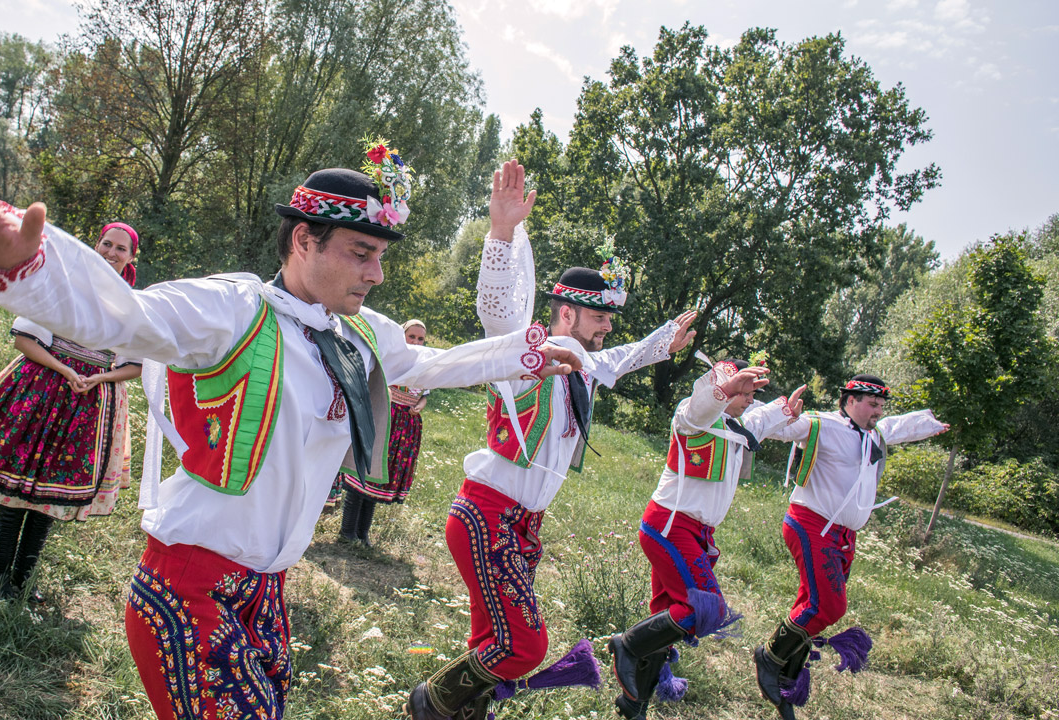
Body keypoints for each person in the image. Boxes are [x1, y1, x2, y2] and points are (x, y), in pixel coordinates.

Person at [0, 140, 583, 720]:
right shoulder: (230, 310)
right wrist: (23, 265)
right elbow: (118, 317)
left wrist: (523, 354)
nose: (375, 274)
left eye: (380, 258)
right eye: (360, 253)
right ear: (303, 239)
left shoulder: (362, 335)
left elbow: (429, 365)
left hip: (264, 594)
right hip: (188, 590)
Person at [405, 160, 698, 720]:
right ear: (565, 312)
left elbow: (617, 359)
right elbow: (495, 313)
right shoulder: (524, 352)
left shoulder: (581, 362)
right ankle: (432, 703)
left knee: (493, 635)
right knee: (525, 645)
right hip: (489, 513)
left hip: (521, 522)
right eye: (598, 315)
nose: (607, 326)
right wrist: (499, 235)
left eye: (611, 317)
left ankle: (470, 711)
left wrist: (665, 342)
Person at [0, 221, 143, 602]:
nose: (111, 253)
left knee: (47, 501)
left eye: (121, 248)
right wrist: (67, 369)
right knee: (15, 492)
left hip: (90, 402)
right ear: (94, 245)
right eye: (106, 244)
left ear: (132, 257)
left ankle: (22, 582)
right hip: (43, 390)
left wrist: (101, 376)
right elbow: (24, 338)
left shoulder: (131, 304)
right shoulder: (64, 285)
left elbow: (136, 364)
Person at [607, 358, 806, 719]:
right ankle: (628, 645)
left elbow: (761, 419)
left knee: (667, 618)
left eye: (750, 394)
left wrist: (784, 409)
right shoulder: (693, 415)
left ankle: (633, 704)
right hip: (670, 525)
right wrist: (727, 387)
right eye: (742, 392)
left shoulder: (737, 425)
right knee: (706, 608)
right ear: (722, 388)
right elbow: (702, 404)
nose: (748, 399)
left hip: (695, 533)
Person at [752, 374, 948, 720]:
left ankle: (786, 682)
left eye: (880, 406)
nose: (877, 411)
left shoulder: (875, 434)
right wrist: (774, 410)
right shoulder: (823, 425)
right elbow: (781, 429)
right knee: (829, 605)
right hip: (811, 523)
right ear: (850, 400)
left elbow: (898, 427)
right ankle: (769, 656)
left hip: (842, 537)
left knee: (810, 605)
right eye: (872, 404)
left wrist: (928, 423)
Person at [337, 318, 430, 545]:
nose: (416, 341)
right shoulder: (392, 358)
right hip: (384, 418)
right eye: (412, 336)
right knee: (365, 472)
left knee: (379, 478)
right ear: (402, 337)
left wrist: (420, 404)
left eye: (420, 338)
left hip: (405, 426)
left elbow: (425, 392)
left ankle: (362, 533)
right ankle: (347, 530)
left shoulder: (425, 362)